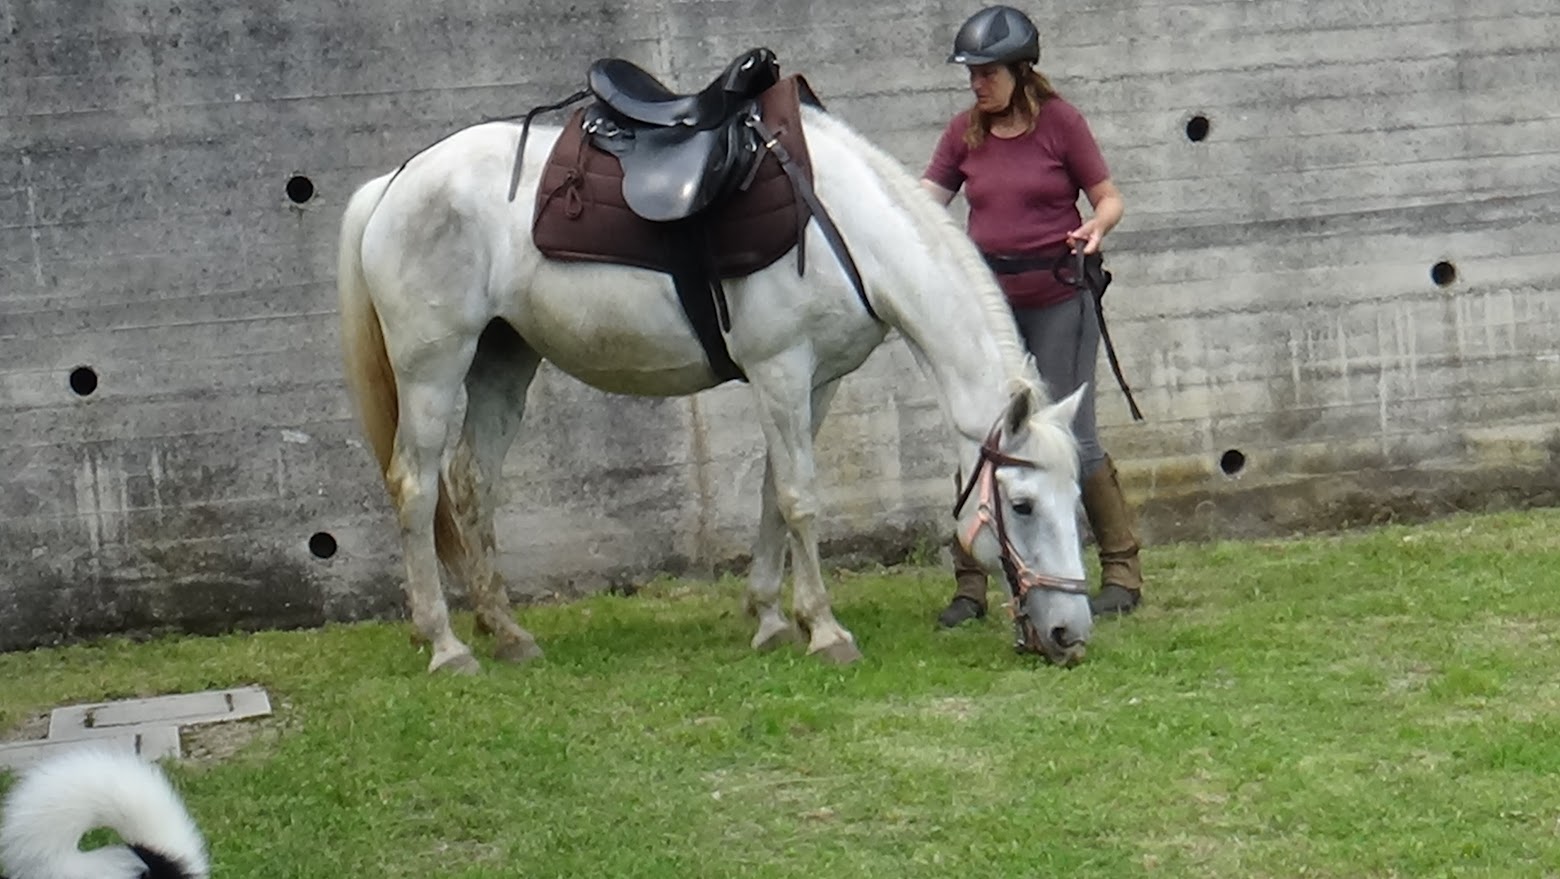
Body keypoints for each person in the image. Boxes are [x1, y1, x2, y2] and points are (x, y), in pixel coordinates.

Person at [920, 5, 1144, 625]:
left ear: (1021, 71)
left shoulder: (1061, 124)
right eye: (970, 73)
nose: (976, 83)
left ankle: (1122, 570)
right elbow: (926, 207)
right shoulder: (962, 133)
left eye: (987, 71)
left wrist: (1099, 224)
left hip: (1058, 297)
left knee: (1074, 436)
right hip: (989, 311)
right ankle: (971, 586)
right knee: (985, 438)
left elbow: (1109, 196)